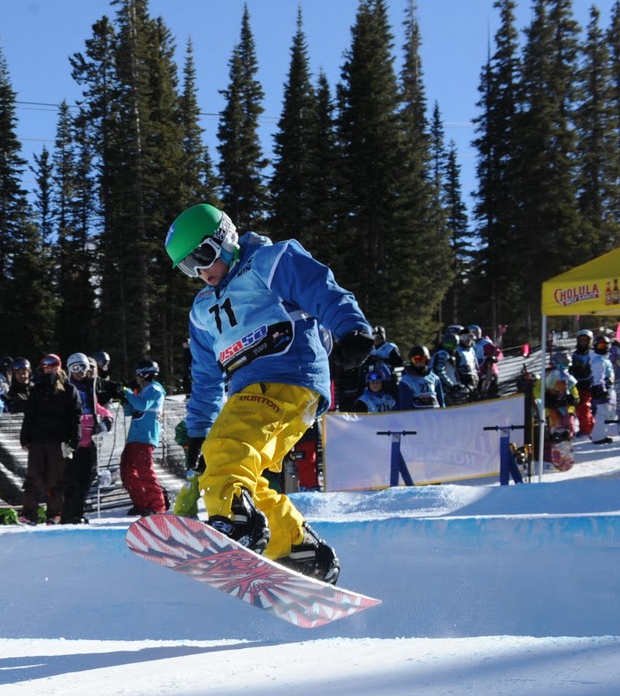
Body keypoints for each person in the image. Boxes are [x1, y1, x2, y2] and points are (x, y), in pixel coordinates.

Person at [166, 203, 373, 585]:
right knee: (230, 467)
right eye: (187, 267)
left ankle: (237, 523)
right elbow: (206, 377)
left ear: (225, 238)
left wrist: (350, 328)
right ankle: (293, 544)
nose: (200, 271)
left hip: (287, 373)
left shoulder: (268, 260)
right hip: (257, 393)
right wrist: (198, 430)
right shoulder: (200, 312)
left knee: (226, 453)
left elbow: (320, 287)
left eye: (203, 256)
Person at [17, 353, 81, 524]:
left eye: (53, 364)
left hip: (58, 441)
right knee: (33, 479)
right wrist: (25, 437)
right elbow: (29, 415)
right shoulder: (37, 389)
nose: (49, 367)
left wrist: (74, 439)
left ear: (59, 366)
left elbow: (75, 416)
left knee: (55, 480)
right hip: (38, 440)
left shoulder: (68, 390)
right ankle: (29, 513)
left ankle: (54, 514)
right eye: (45, 365)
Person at [62, 352, 112, 524]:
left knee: (86, 478)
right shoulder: (67, 388)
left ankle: (78, 512)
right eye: (75, 368)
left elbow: (96, 407)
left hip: (88, 440)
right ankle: (68, 514)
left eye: (83, 367)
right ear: (69, 370)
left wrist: (107, 417)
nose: (80, 372)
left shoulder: (89, 388)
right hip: (72, 441)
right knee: (71, 479)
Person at [119, 358, 169, 517]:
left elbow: (142, 405)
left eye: (137, 374)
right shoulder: (142, 391)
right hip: (134, 438)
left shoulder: (155, 389)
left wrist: (127, 392)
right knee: (127, 473)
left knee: (145, 472)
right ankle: (141, 504)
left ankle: (157, 506)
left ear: (143, 374)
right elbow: (130, 411)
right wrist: (125, 398)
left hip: (145, 437)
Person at [396, 345, 448, 410]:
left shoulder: (434, 378)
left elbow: (441, 401)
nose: (419, 362)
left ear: (427, 360)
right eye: (416, 360)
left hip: (434, 414)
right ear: (411, 361)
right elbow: (405, 407)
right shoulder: (406, 381)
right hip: (416, 416)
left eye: (422, 359)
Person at [587, 336, 615, 444]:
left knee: (604, 412)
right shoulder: (598, 361)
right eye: (601, 345)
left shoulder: (603, 359)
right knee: (601, 413)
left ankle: (598, 434)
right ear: (595, 346)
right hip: (600, 390)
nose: (603, 348)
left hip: (605, 388)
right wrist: (600, 389)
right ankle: (598, 436)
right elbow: (597, 376)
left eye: (606, 345)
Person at [571, 330, 595, 436]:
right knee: (579, 408)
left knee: (585, 407)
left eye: (586, 340)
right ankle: (585, 427)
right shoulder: (575, 354)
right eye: (581, 340)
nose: (583, 342)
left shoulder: (593, 353)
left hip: (589, 384)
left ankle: (587, 429)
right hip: (577, 384)